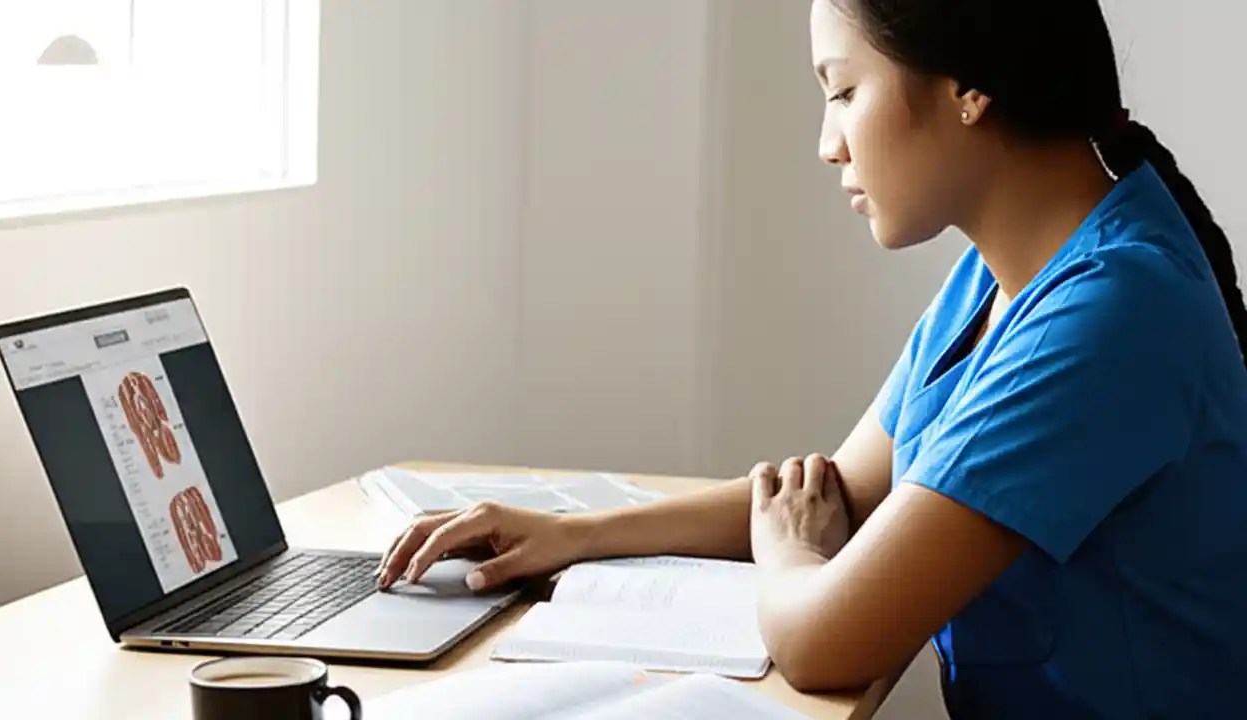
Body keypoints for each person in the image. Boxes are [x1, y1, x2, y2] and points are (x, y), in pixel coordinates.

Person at [376, 1, 1247, 716]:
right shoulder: (1005, 270)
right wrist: (571, 538)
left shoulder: (1109, 314)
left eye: (842, 92)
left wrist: (792, 558)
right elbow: (834, 495)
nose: (828, 144)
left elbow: (826, 640)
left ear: (968, 89)